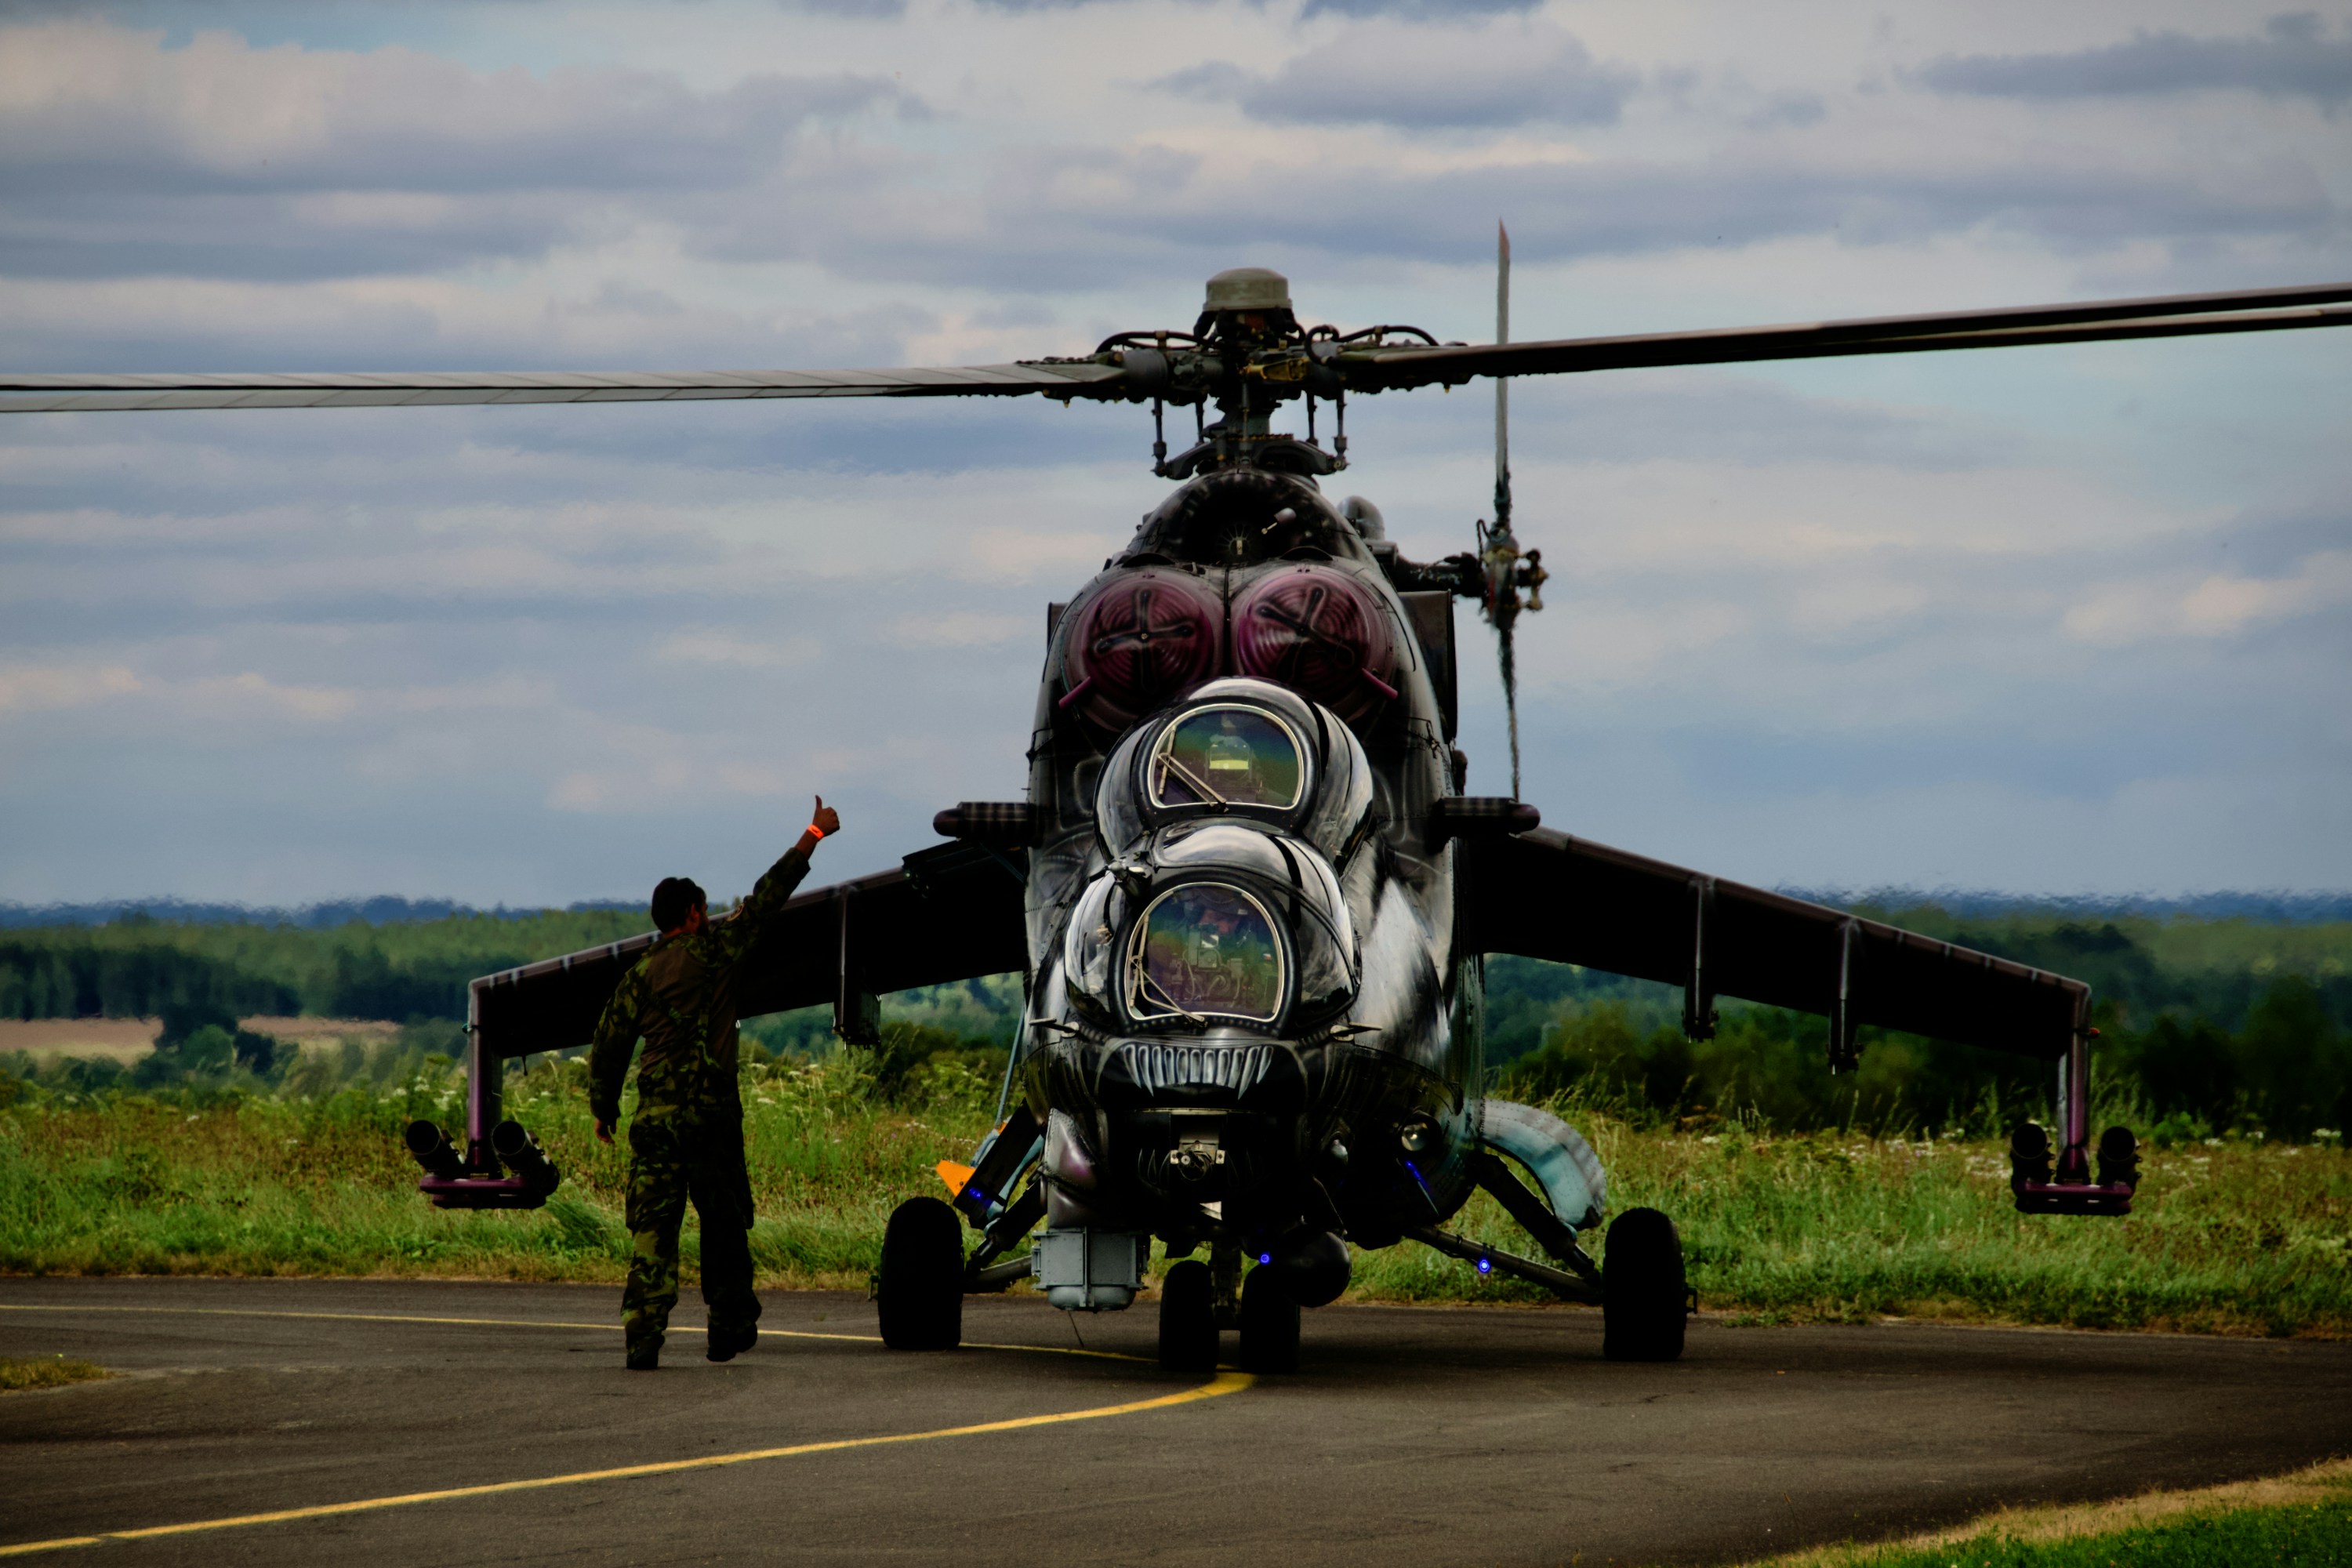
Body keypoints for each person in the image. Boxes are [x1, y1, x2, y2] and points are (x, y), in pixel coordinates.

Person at [589, 796, 843, 1371]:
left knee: (652, 1233)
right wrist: (813, 833)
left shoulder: (639, 976)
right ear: (697, 914)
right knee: (723, 1225)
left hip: (654, 1123)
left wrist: (604, 1109)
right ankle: (726, 1328)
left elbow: (608, 1046)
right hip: (711, 1121)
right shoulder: (719, 951)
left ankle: (643, 1336)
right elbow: (766, 898)